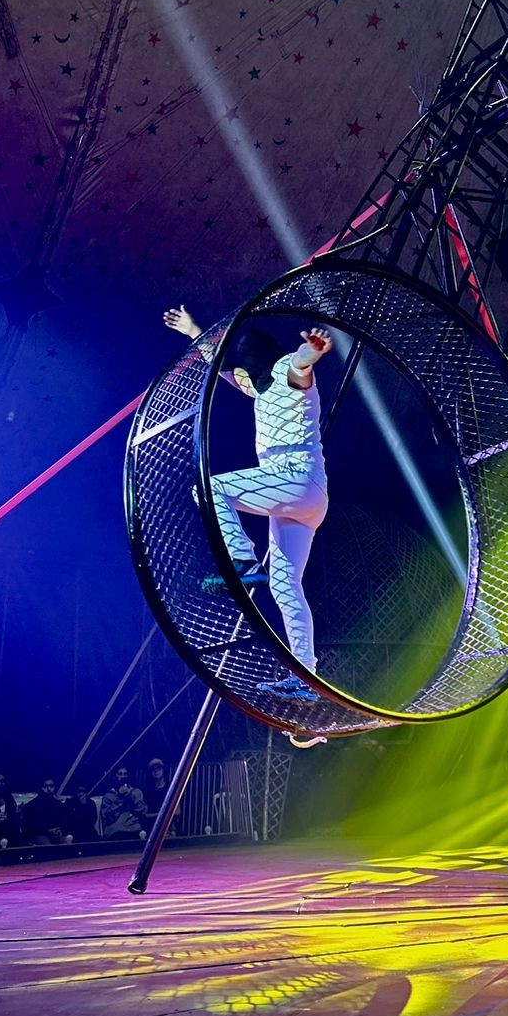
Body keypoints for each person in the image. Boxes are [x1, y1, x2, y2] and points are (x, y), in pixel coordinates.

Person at [163, 304, 332, 711]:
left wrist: (312, 351)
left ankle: (243, 560)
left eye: (240, 371)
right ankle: (306, 677)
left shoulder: (281, 374)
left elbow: (299, 369)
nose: (236, 379)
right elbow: (220, 367)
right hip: (302, 499)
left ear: (254, 362)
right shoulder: (259, 389)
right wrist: (194, 330)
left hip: (295, 480)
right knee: (285, 586)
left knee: (210, 488)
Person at [100, 765, 147, 840]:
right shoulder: (108, 796)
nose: (123, 776)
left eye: (125, 774)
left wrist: (132, 796)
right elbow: (109, 818)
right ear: (115, 776)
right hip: (116, 831)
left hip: (133, 829)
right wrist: (120, 799)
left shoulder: (136, 792)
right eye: (120, 774)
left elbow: (142, 812)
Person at [22, 778, 71, 846]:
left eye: (51, 786)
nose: (49, 789)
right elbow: (28, 828)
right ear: (41, 787)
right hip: (38, 835)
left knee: (67, 841)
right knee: (46, 843)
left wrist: (60, 830)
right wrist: (47, 830)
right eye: (45, 786)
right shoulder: (31, 806)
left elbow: (65, 821)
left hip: (55, 835)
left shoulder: (59, 805)